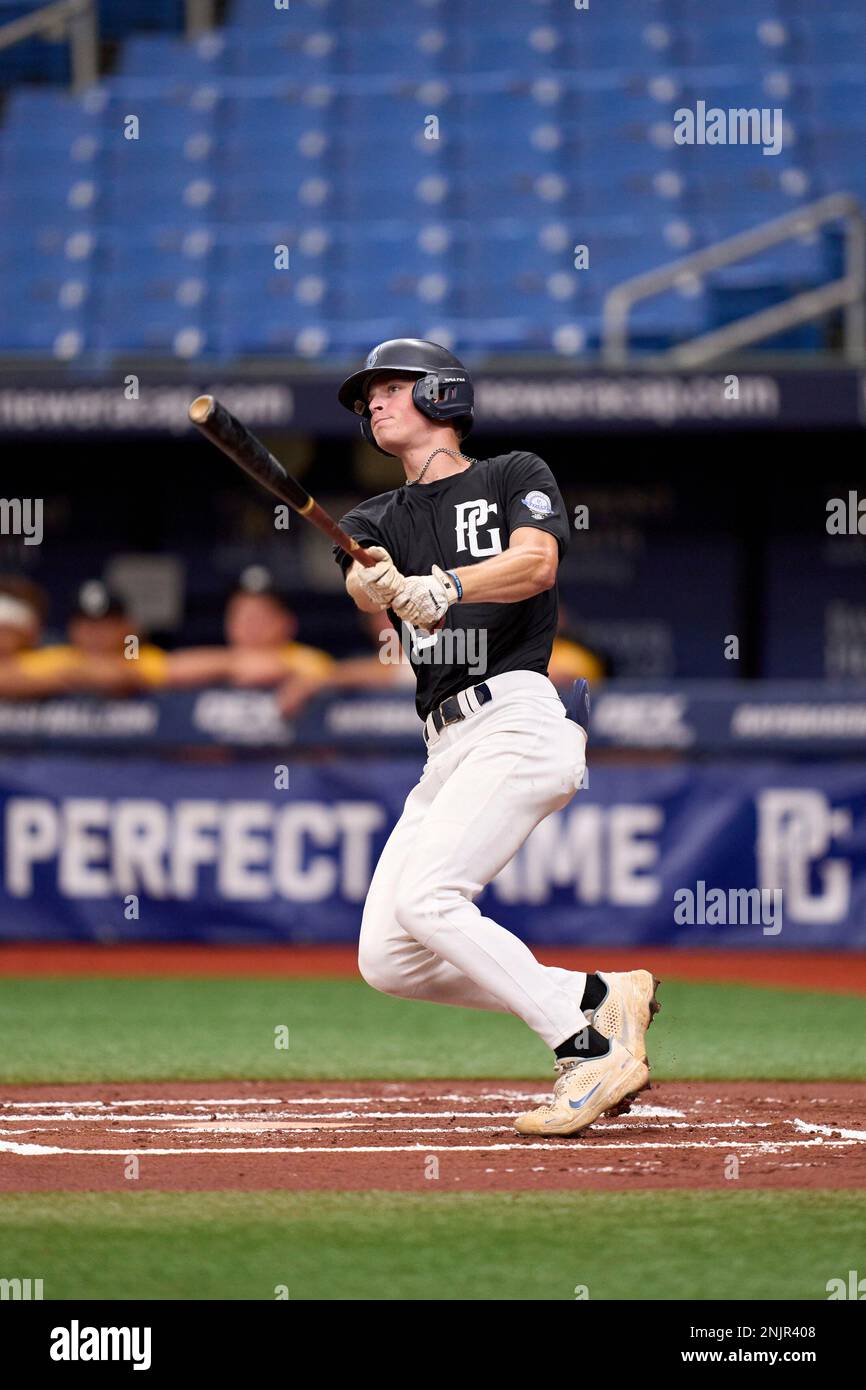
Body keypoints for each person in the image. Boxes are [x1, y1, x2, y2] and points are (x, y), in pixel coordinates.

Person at [333, 338, 660, 1137]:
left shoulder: (514, 473)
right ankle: (594, 997)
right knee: (389, 956)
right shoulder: (374, 516)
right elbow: (359, 575)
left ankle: (585, 1049)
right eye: (366, 394)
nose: (373, 402)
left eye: (391, 387)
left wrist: (441, 585)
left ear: (442, 393)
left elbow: (536, 565)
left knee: (428, 898)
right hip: (443, 747)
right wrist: (372, 582)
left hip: (517, 716)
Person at [164, 567, 334, 690]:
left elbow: (321, 674)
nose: (250, 625)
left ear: (287, 623)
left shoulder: (306, 659)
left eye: (261, 615)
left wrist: (235, 666)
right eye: (240, 614)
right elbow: (169, 669)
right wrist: (234, 664)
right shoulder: (223, 659)